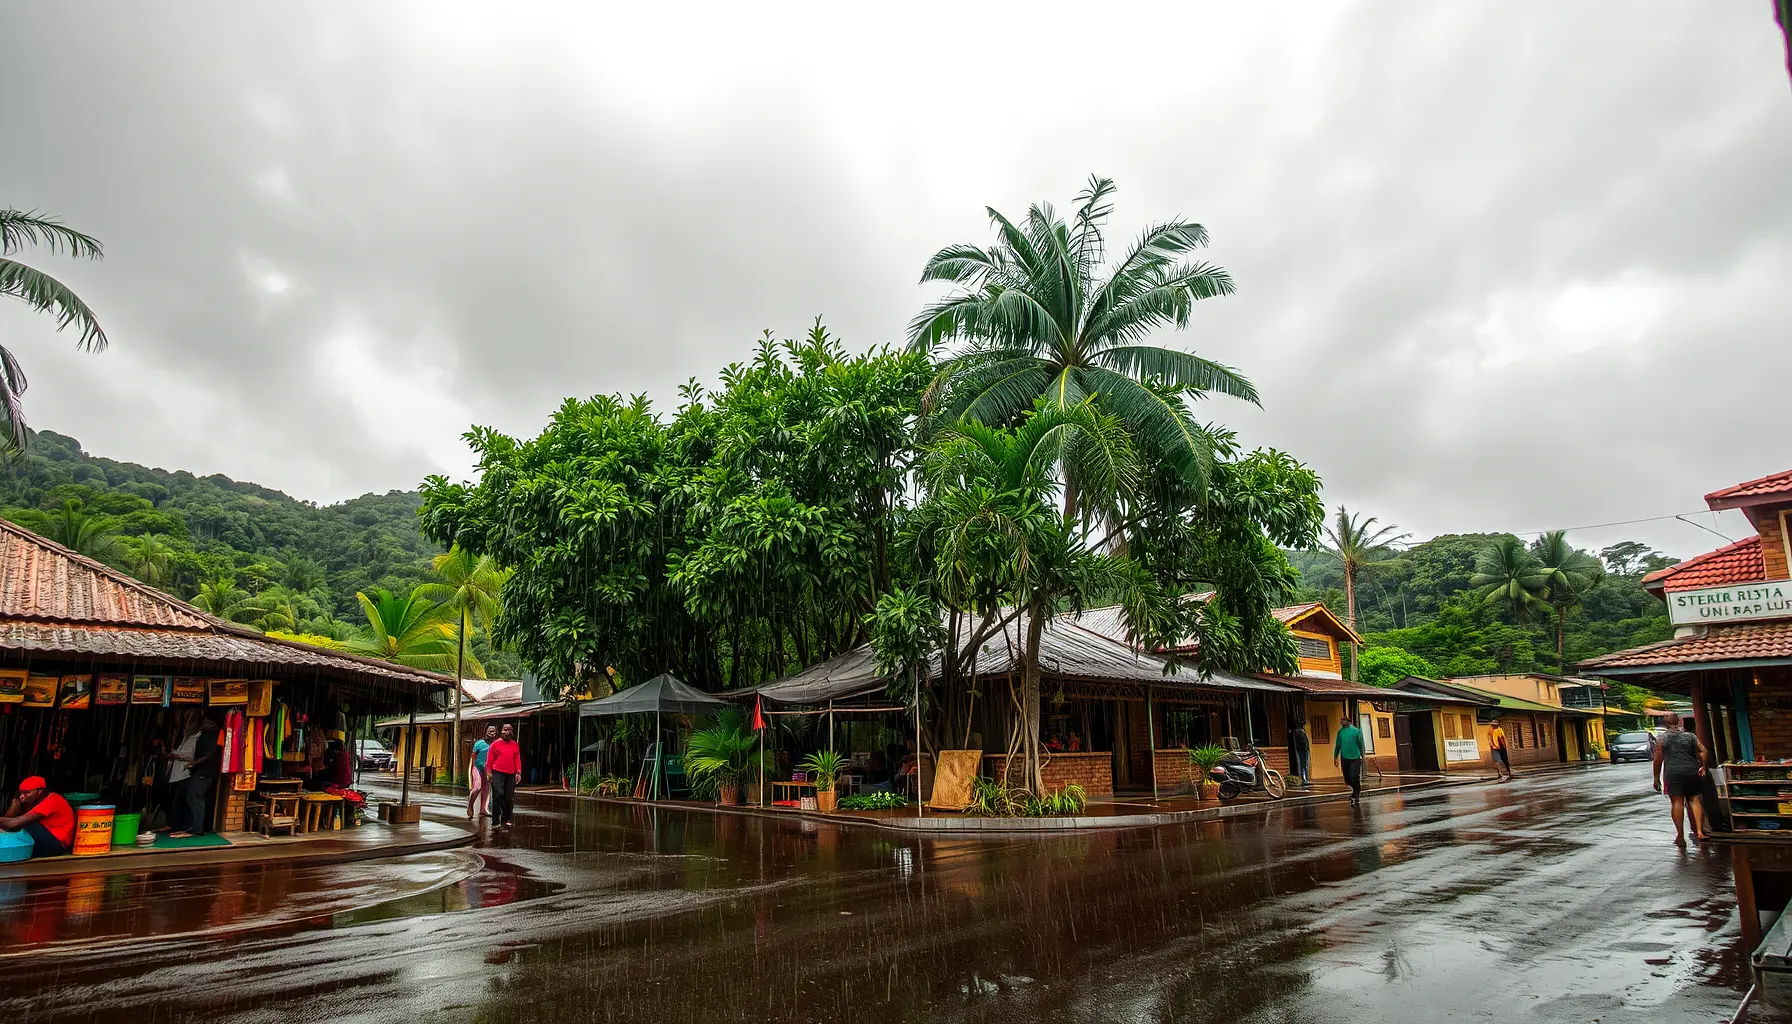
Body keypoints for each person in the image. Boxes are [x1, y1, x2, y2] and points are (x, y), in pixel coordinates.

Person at [1654, 714, 1708, 846]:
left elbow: (1657, 759)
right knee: (1694, 800)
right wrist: (1703, 767)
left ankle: (1680, 835)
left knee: (1677, 802)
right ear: (1679, 722)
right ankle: (1700, 832)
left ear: (1664, 724)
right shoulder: (1690, 736)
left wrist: (1656, 778)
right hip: (1692, 771)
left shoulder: (1662, 738)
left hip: (1673, 773)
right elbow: (1703, 751)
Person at [0, 777, 75, 857]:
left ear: (40, 791)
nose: (22, 796)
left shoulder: (53, 800)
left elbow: (12, 823)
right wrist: (16, 802)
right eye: (21, 793)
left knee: (26, 823)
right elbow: (8, 820)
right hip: (48, 842)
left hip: (57, 845)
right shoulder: (36, 801)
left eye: (26, 793)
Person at [175, 713, 222, 838]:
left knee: (196, 798)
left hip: (205, 772)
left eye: (205, 723)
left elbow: (209, 754)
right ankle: (192, 827)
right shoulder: (207, 735)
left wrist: (193, 763)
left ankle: (197, 829)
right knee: (192, 797)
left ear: (212, 724)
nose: (202, 725)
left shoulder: (213, 736)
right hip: (201, 771)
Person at [163, 716, 200, 833]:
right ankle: (174, 824)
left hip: (183, 773)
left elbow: (191, 757)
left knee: (180, 800)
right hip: (176, 773)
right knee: (174, 799)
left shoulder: (194, 739)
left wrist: (174, 756)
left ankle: (179, 825)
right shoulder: (184, 738)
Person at [485, 722, 522, 828]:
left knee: (509, 798)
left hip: (511, 774)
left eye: (509, 730)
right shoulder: (495, 745)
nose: (507, 732)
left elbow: (517, 759)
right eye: (505, 729)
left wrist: (518, 772)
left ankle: (506, 819)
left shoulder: (515, 745)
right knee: (498, 795)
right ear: (501, 731)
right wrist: (488, 772)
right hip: (497, 773)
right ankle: (495, 820)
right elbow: (490, 760)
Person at [1335, 715, 1366, 806]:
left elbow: (1361, 743)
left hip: (1355, 757)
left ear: (1348, 721)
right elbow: (1338, 745)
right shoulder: (1340, 732)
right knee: (1347, 779)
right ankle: (1356, 790)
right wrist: (1335, 757)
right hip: (1344, 757)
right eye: (1341, 721)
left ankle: (1356, 794)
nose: (1341, 722)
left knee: (1354, 776)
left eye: (1343, 721)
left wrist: (1362, 754)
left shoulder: (1356, 731)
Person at [468, 724, 496, 819]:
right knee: (477, 787)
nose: (492, 733)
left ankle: (483, 809)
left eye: (493, 731)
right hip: (477, 768)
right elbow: (473, 757)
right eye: (490, 731)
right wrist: (472, 770)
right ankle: (470, 805)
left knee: (486, 790)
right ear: (485, 731)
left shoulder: (495, 744)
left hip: (488, 770)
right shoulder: (479, 743)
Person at [1288, 721, 1311, 789]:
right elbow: (1305, 742)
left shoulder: (1296, 733)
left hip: (1300, 750)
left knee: (1303, 765)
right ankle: (1304, 780)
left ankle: (1304, 779)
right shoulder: (1301, 733)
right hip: (1303, 751)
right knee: (1304, 765)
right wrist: (1307, 750)